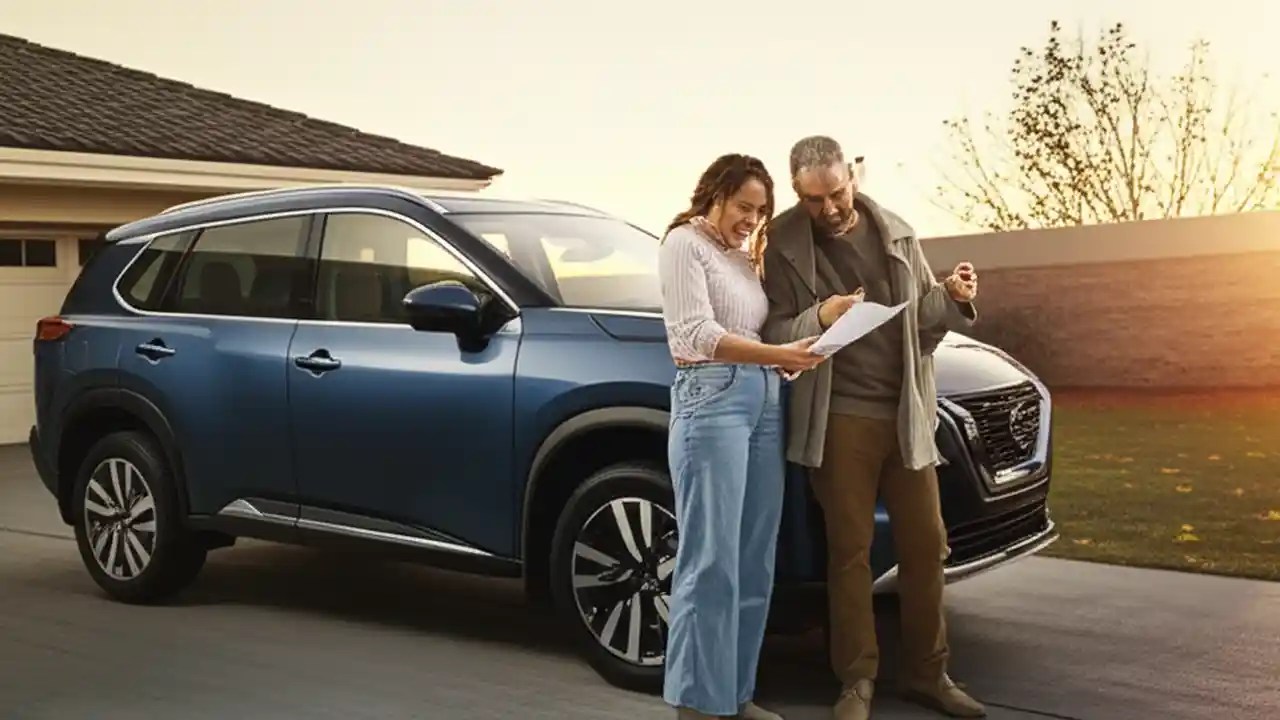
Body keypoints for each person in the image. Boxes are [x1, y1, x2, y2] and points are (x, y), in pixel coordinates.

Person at [759, 136, 984, 720]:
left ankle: (928, 674)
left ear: (852, 177)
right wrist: (822, 316)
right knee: (850, 552)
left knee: (926, 545)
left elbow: (923, 331)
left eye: (836, 194)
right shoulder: (781, 243)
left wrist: (952, 299)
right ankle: (856, 681)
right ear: (796, 192)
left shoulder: (900, 234)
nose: (829, 209)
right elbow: (776, 330)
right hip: (838, 419)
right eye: (815, 200)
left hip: (906, 414)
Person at [659, 153, 826, 720]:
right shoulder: (684, 244)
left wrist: (785, 358)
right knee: (710, 561)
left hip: (763, 398)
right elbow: (696, 333)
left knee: (754, 559)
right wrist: (777, 354)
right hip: (711, 401)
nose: (752, 219)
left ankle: (735, 694)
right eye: (743, 207)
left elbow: (752, 329)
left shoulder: (739, 258)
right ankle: (697, 705)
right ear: (715, 194)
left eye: (760, 210)